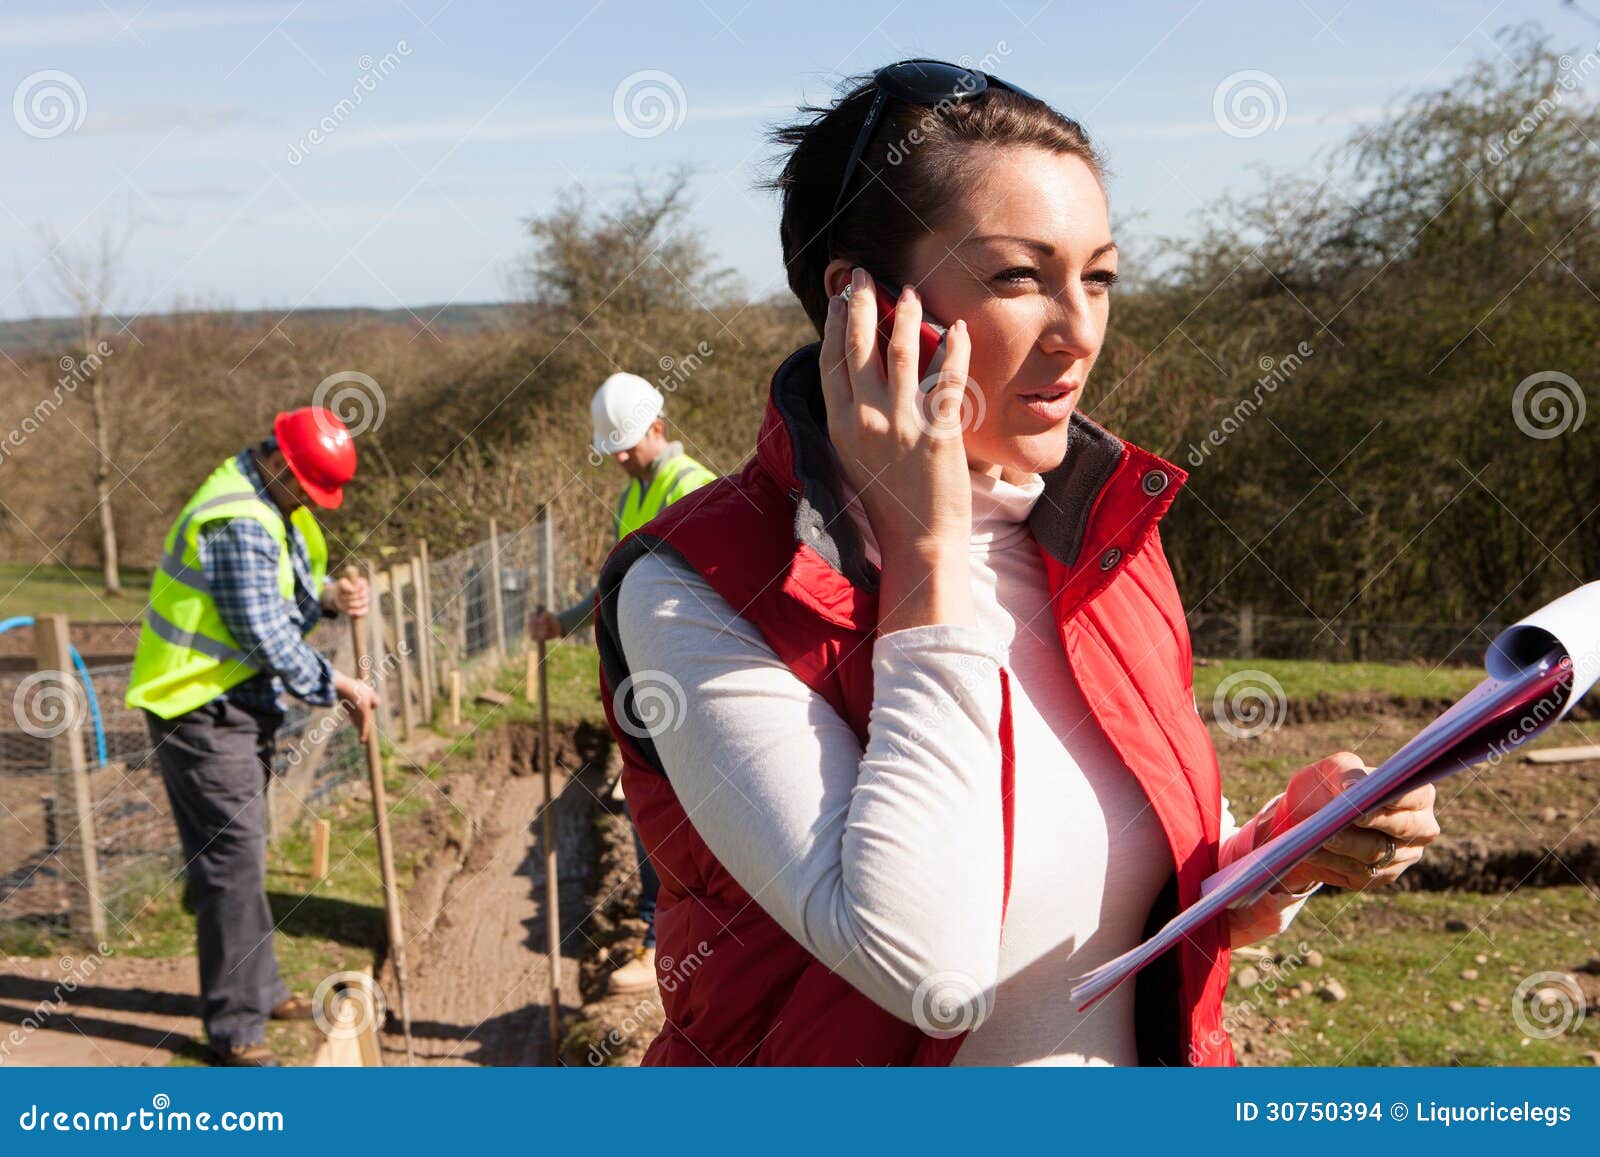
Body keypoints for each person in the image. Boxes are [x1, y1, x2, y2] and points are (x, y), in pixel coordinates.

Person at [593, 59, 1440, 1066]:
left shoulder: (1105, 533)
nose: (1078, 330)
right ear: (861, 302)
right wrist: (925, 549)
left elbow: (1137, 889)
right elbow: (925, 967)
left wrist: (1289, 847)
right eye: (1017, 277)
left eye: (1099, 276)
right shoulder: (695, 592)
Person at [126, 407, 380, 1067]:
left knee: (244, 855)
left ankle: (260, 988)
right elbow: (262, 634)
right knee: (230, 863)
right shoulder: (239, 517)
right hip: (199, 705)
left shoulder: (266, 496)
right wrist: (341, 685)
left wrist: (326, 595)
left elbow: (279, 592)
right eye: (307, 488)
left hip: (232, 704)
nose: (309, 502)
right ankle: (236, 1027)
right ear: (281, 463)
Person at [529, 371, 715, 994]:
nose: (619, 458)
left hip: (682, 687)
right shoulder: (632, 496)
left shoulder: (693, 489)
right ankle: (663, 934)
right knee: (650, 808)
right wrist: (565, 620)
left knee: (670, 813)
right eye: (612, 447)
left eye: (627, 445)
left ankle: (669, 943)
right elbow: (614, 583)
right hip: (643, 683)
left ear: (658, 429)